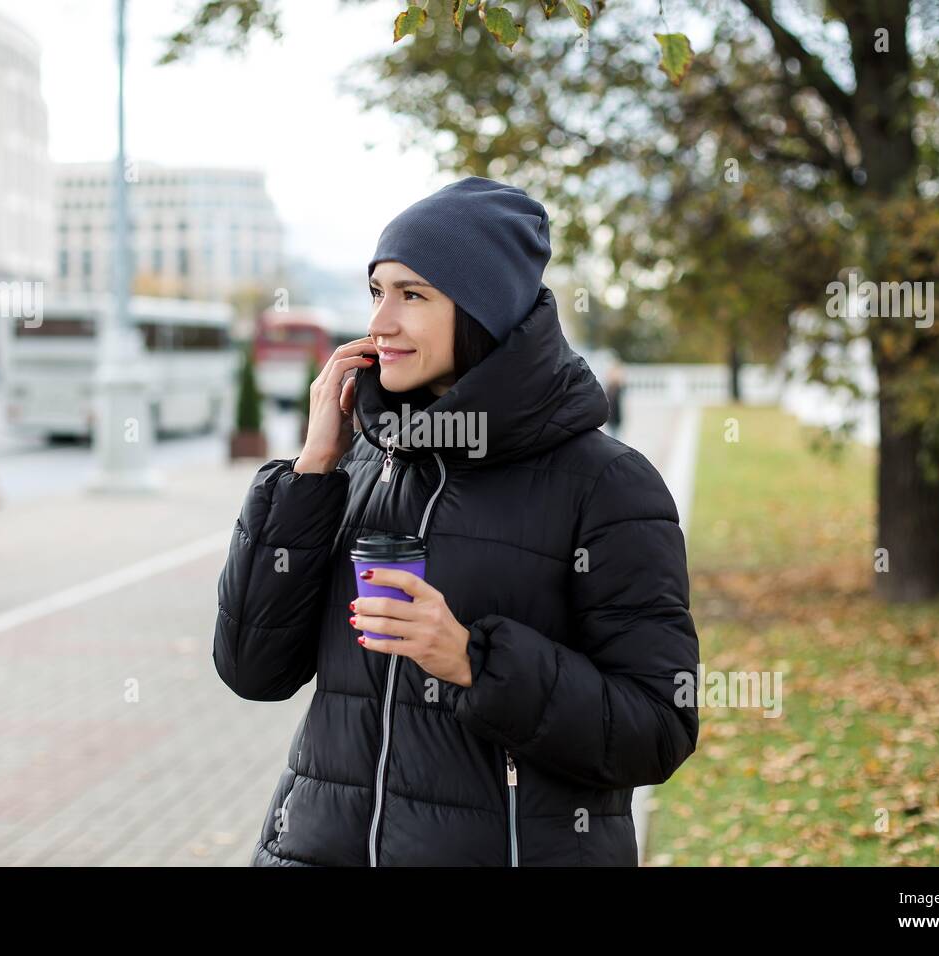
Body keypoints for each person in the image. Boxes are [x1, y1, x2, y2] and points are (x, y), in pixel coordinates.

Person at [214, 176, 700, 866]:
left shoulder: (608, 484)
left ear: (484, 310)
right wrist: (310, 471)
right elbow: (251, 670)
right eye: (378, 292)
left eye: (413, 295)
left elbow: (658, 727)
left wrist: (475, 662)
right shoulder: (354, 464)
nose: (381, 323)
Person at [605, 358, 625, 440]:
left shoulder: (618, 389)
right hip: (611, 417)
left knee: (615, 437)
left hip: (615, 417)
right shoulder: (609, 389)